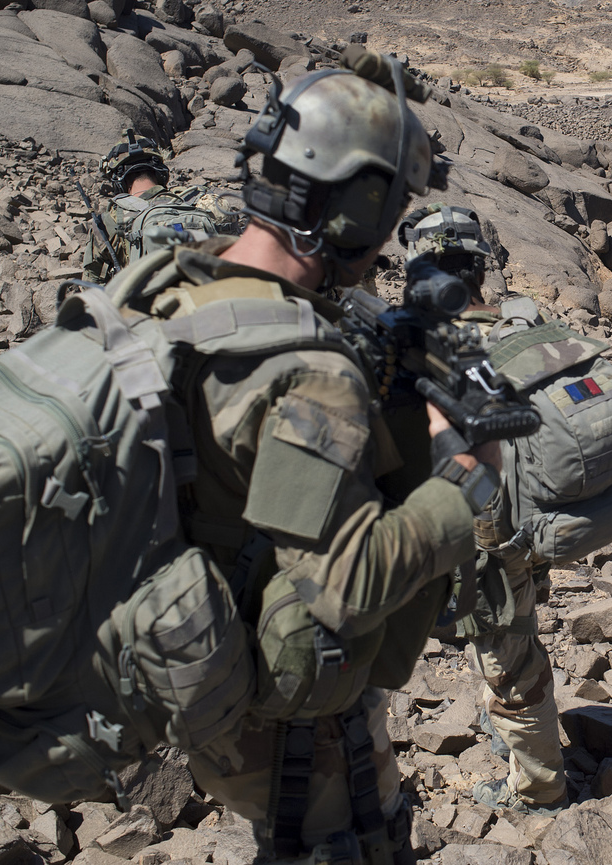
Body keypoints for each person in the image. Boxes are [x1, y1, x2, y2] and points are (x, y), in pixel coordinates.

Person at [156, 67, 497, 863]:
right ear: (355, 206)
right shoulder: (307, 369)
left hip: (191, 662)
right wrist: (469, 476)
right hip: (288, 725)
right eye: (389, 212)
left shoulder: (178, 287)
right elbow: (345, 585)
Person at [401, 202, 571, 815]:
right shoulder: (518, 322)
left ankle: (540, 785)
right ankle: (522, 727)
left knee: (507, 657)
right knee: (515, 633)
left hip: (485, 532)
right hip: (534, 513)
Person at [81, 129, 244, 281]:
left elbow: (92, 281)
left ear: (119, 181)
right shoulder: (200, 202)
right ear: (160, 171)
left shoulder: (110, 220)